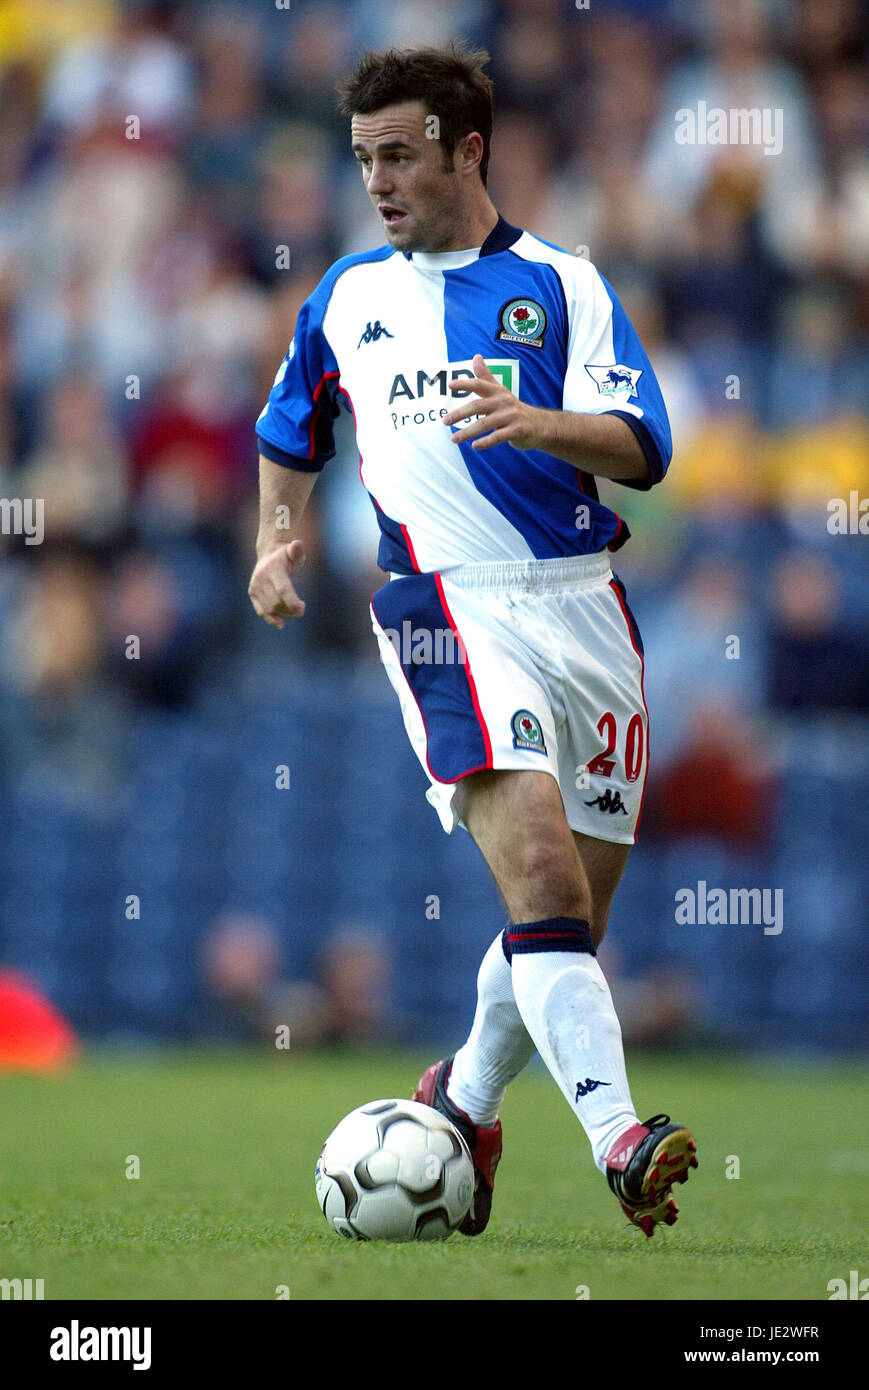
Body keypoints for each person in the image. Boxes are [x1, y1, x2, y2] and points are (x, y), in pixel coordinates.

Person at [248, 42, 697, 1238]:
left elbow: (647, 448)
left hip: (581, 604)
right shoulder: (345, 295)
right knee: (541, 879)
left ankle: (463, 1093)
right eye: (362, 160)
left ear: (467, 150)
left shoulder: (562, 283)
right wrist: (270, 542)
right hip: (444, 606)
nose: (378, 182)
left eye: (399, 156)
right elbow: (290, 431)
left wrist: (540, 422)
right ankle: (619, 1138)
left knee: (568, 926)